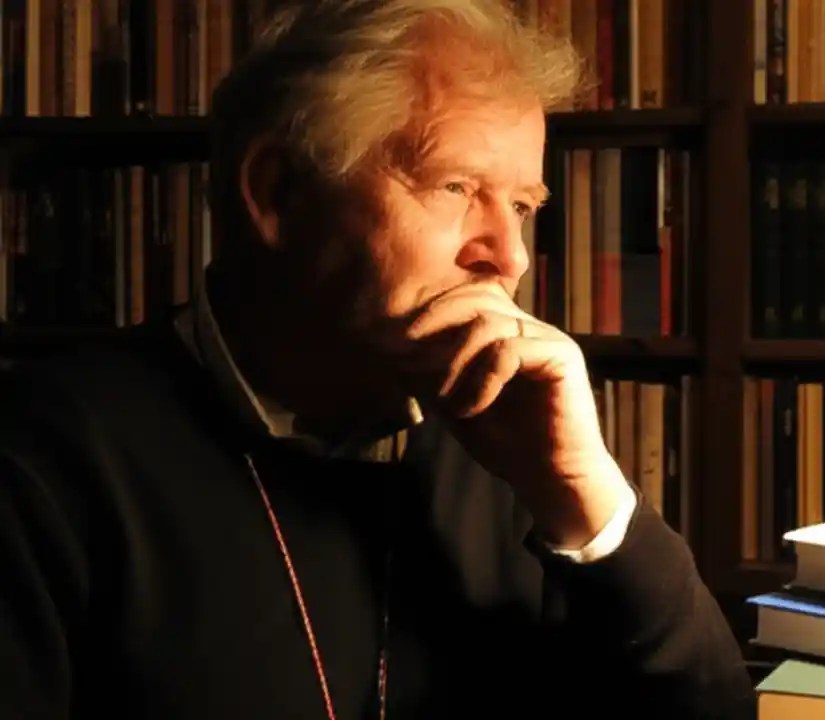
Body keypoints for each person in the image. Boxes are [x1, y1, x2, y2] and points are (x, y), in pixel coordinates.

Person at [0, 1, 756, 717]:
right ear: (278, 193)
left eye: (522, 205)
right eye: (456, 186)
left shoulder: (520, 441)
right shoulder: (40, 459)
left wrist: (588, 503)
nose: (509, 257)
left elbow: (715, 708)